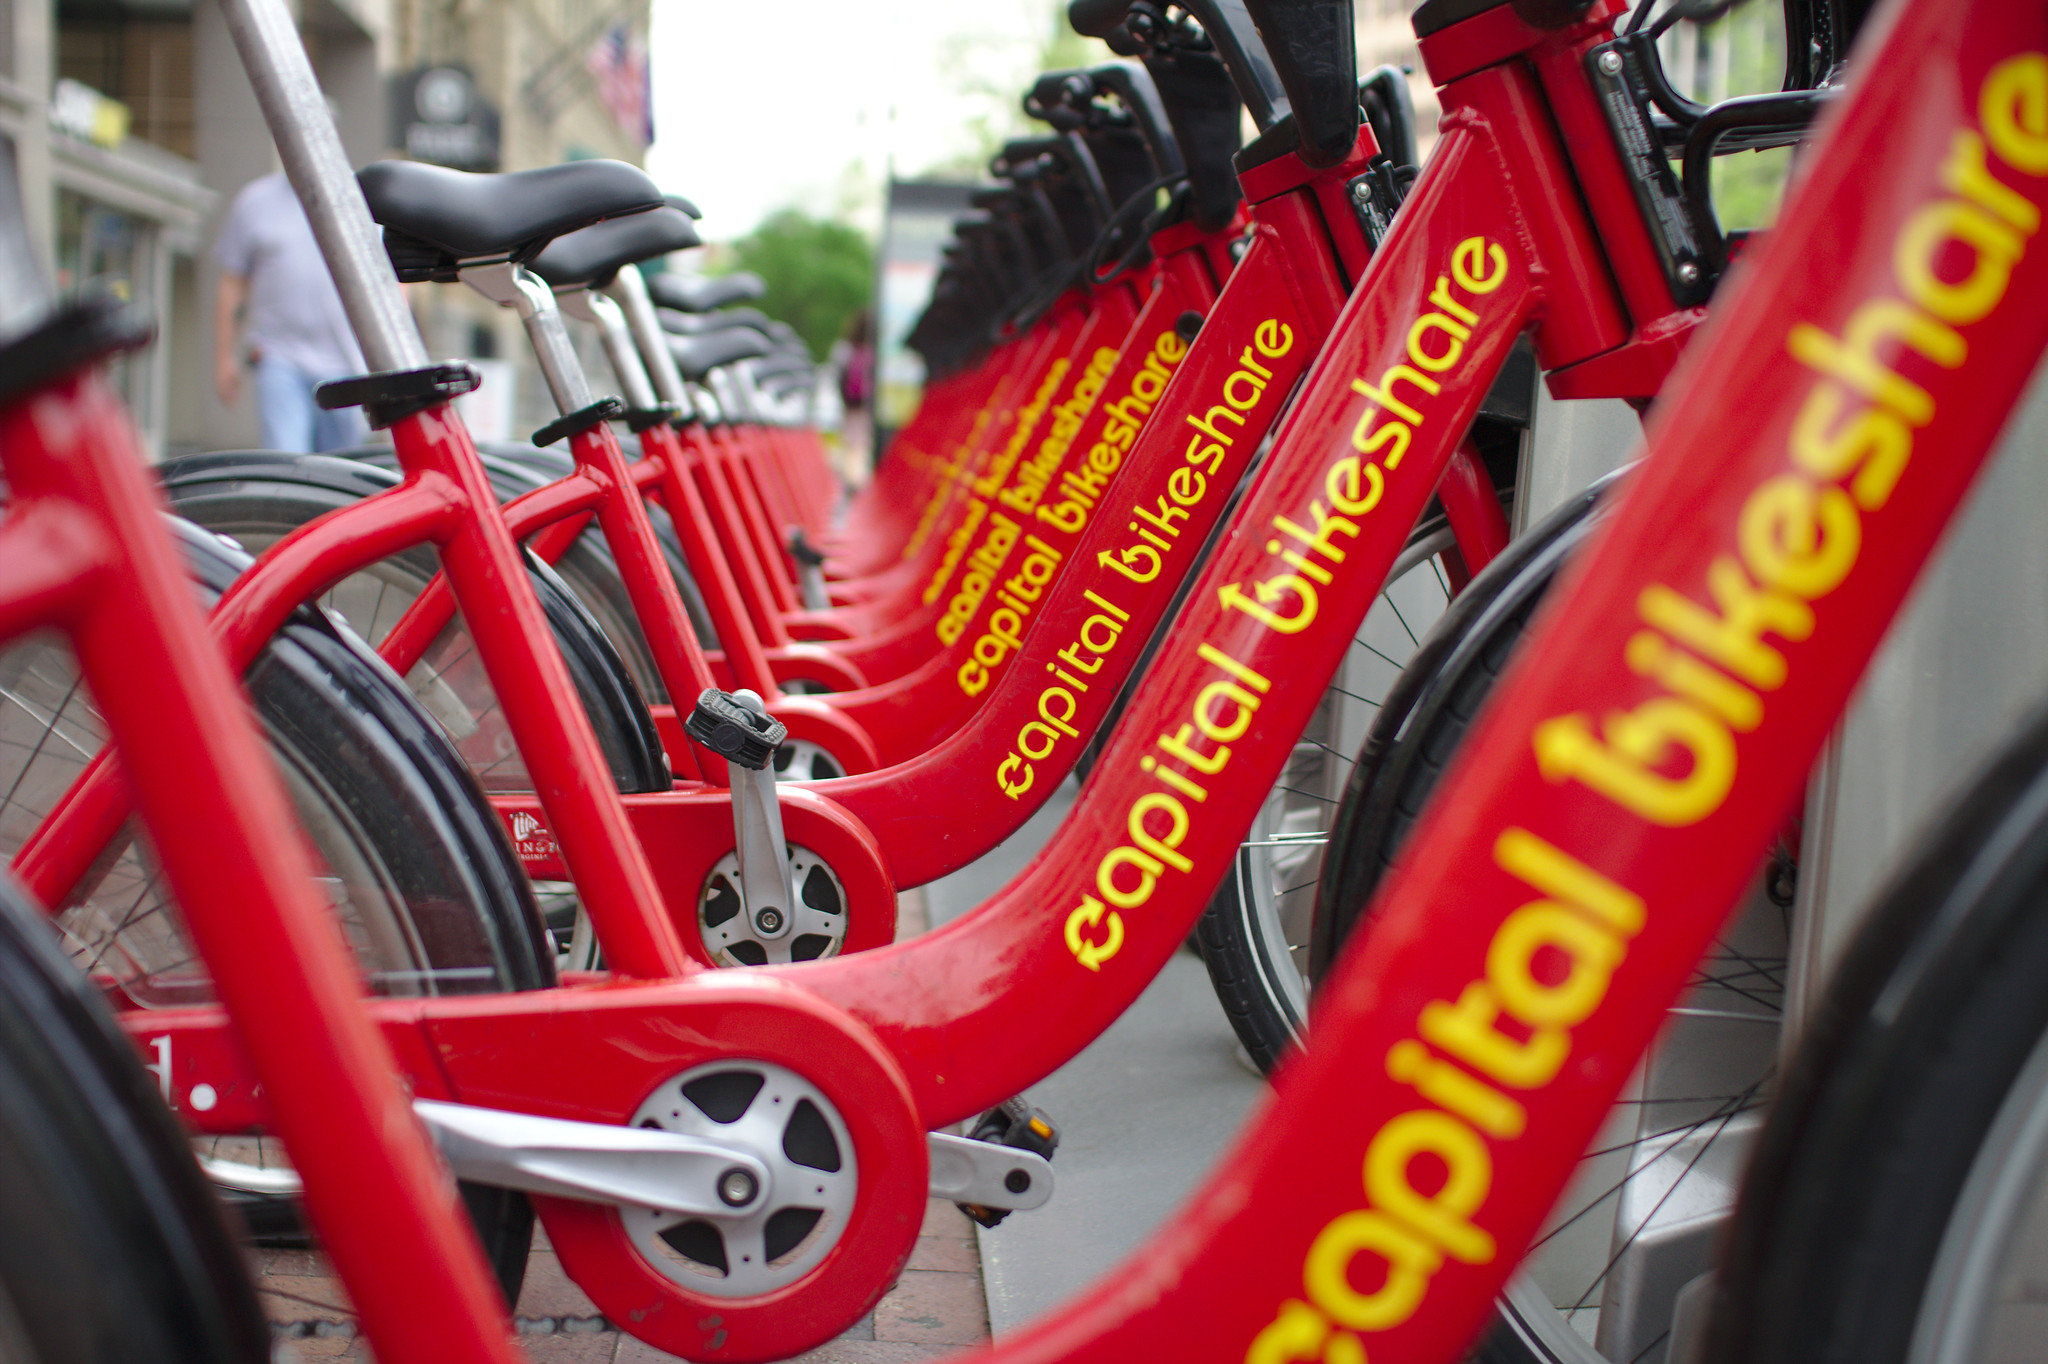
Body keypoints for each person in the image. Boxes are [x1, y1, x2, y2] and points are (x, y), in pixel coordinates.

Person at [213, 170, 367, 453]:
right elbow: (232, 284)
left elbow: (389, 282)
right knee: (288, 464)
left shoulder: (355, 199)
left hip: (346, 365)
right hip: (280, 358)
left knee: (343, 472)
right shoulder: (255, 202)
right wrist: (224, 358)